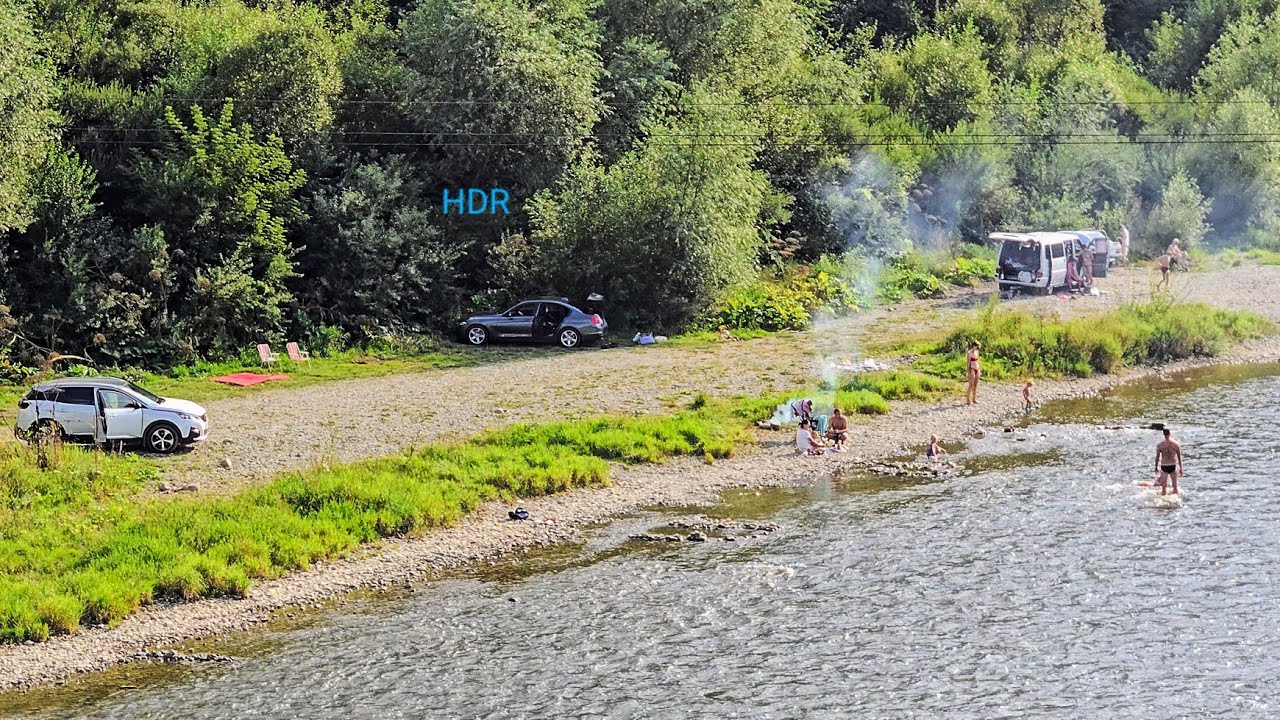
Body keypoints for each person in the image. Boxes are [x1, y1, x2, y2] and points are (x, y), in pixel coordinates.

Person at [1155, 428, 1183, 496]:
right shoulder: (1176, 444)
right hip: (1173, 466)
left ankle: (1163, 500)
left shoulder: (1160, 445)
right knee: (1175, 487)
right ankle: (1175, 502)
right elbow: (1179, 457)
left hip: (1164, 466)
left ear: (1163, 434)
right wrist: (1181, 468)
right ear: (1170, 433)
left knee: (1164, 488)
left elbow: (1157, 457)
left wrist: (1155, 467)